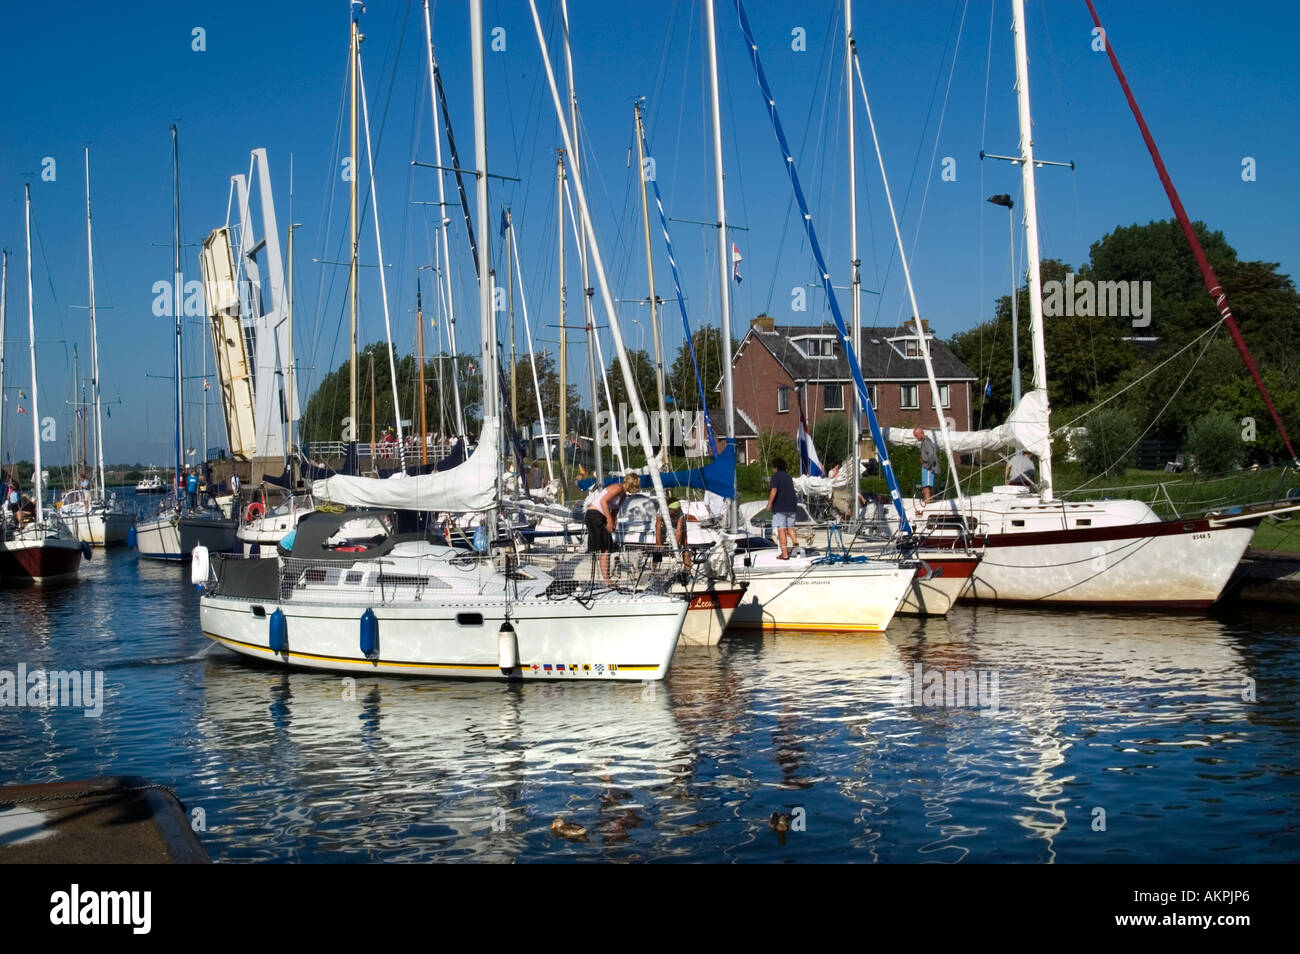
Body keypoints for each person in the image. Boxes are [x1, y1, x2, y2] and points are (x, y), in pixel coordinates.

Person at [585, 473, 640, 584]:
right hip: (594, 514)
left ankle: (606, 578)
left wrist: (613, 521)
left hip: (602, 516)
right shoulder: (617, 488)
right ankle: (606, 579)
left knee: (608, 546)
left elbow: (615, 509)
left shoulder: (623, 494)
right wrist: (609, 521)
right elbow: (603, 502)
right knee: (605, 547)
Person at [768, 456, 798, 560]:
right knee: (790, 528)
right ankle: (796, 544)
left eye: (773, 467)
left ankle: (784, 554)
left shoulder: (775, 476)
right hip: (792, 505)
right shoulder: (788, 476)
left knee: (781, 530)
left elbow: (774, 490)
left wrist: (769, 504)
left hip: (780, 507)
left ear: (776, 467)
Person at [655, 495, 692, 570]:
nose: (676, 513)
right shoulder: (661, 511)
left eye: (677, 510)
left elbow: (678, 531)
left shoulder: (680, 514)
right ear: (668, 509)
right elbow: (658, 528)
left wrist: (675, 547)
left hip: (678, 525)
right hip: (665, 524)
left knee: (685, 546)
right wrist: (659, 543)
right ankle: (654, 571)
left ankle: (687, 572)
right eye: (674, 511)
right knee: (657, 548)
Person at [914, 427, 938, 510]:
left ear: (921, 433)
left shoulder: (927, 442)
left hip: (928, 467)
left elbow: (931, 455)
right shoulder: (924, 442)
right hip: (925, 466)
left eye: (916, 435)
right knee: (925, 485)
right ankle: (928, 500)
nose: (916, 438)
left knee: (927, 485)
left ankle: (928, 502)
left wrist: (927, 465)